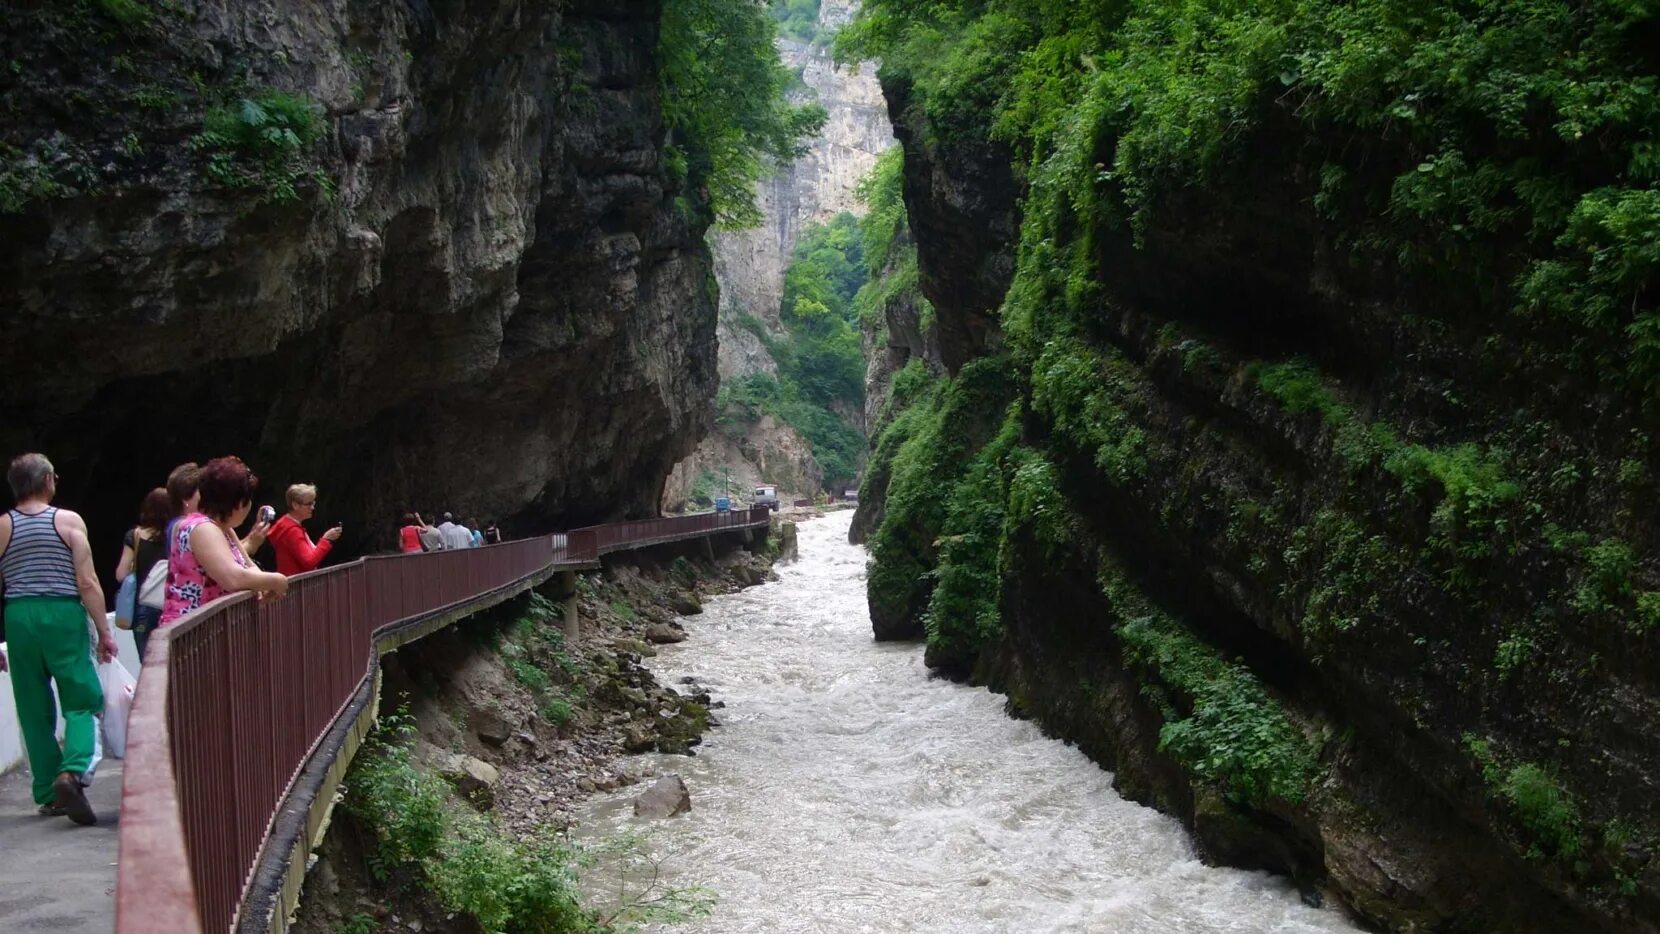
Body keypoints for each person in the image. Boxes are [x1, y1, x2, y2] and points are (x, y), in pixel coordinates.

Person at [0, 453, 117, 825]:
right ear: (48, 480)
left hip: (18, 616)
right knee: (81, 698)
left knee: (33, 708)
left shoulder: (2, 526)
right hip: (63, 613)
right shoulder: (67, 521)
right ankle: (73, 771)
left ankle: (50, 793)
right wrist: (103, 630)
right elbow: (87, 581)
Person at [159, 456, 288, 627]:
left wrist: (264, 583)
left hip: (206, 632)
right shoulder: (202, 528)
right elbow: (233, 578)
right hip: (192, 637)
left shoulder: (223, 528)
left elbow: (250, 567)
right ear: (239, 502)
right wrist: (277, 580)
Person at [114, 487, 170, 661]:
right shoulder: (176, 536)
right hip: (171, 607)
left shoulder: (135, 536)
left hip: (143, 609)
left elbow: (121, 574)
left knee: (148, 665)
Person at [266, 483, 340, 575]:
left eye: (313, 503)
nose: (312, 507)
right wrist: (325, 540)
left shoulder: (286, 525)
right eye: (309, 504)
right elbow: (309, 562)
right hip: (297, 587)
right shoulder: (292, 531)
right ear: (295, 505)